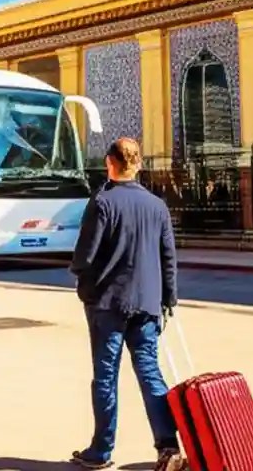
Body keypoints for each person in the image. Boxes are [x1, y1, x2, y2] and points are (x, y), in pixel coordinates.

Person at [70, 137, 181, 471]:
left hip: (108, 303)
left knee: (105, 376)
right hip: (146, 304)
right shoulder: (157, 206)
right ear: (139, 164)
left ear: (109, 163)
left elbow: (84, 256)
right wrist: (169, 299)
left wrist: (82, 282)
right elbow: (168, 258)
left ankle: (101, 450)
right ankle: (167, 446)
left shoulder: (103, 203)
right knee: (149, 372)